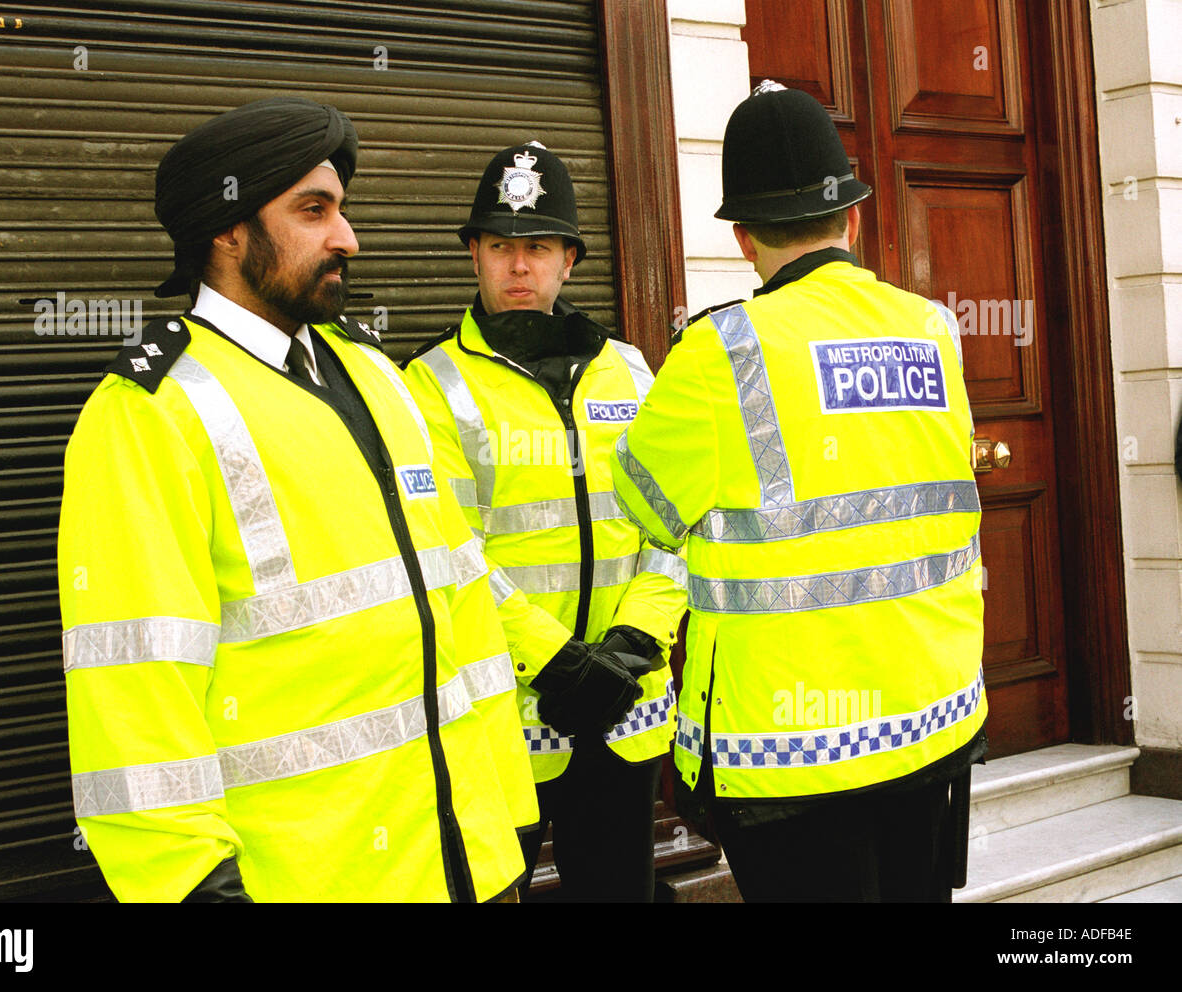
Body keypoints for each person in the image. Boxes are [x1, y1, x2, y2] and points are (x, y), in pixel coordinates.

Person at [57, 96, 536, 902]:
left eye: (341, 211)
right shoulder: (148, 413)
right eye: (313, 212)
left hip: (468, 865)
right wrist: (192, 884)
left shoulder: (376, 378)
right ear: (227, 229)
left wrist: (507, 818)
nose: (346, 238)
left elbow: (464, 612)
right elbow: (132, 685)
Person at [611, 82, 988, 902]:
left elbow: (643, 505)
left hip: (790, 754)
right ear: (852, 219)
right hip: (935, 716)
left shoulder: (719, 351)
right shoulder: (933, 329)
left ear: (744, 237)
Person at [402, 142, 688, 902]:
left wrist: (636, 639)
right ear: (474, 255)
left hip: (627, 709)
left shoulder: (630, 371)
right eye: (500, 246)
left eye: (537, 248)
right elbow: (446, 551)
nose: (518, 267)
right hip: (512, 721)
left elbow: (677, 524)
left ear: (569, 259)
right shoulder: (430, 387)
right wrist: (555, 661)